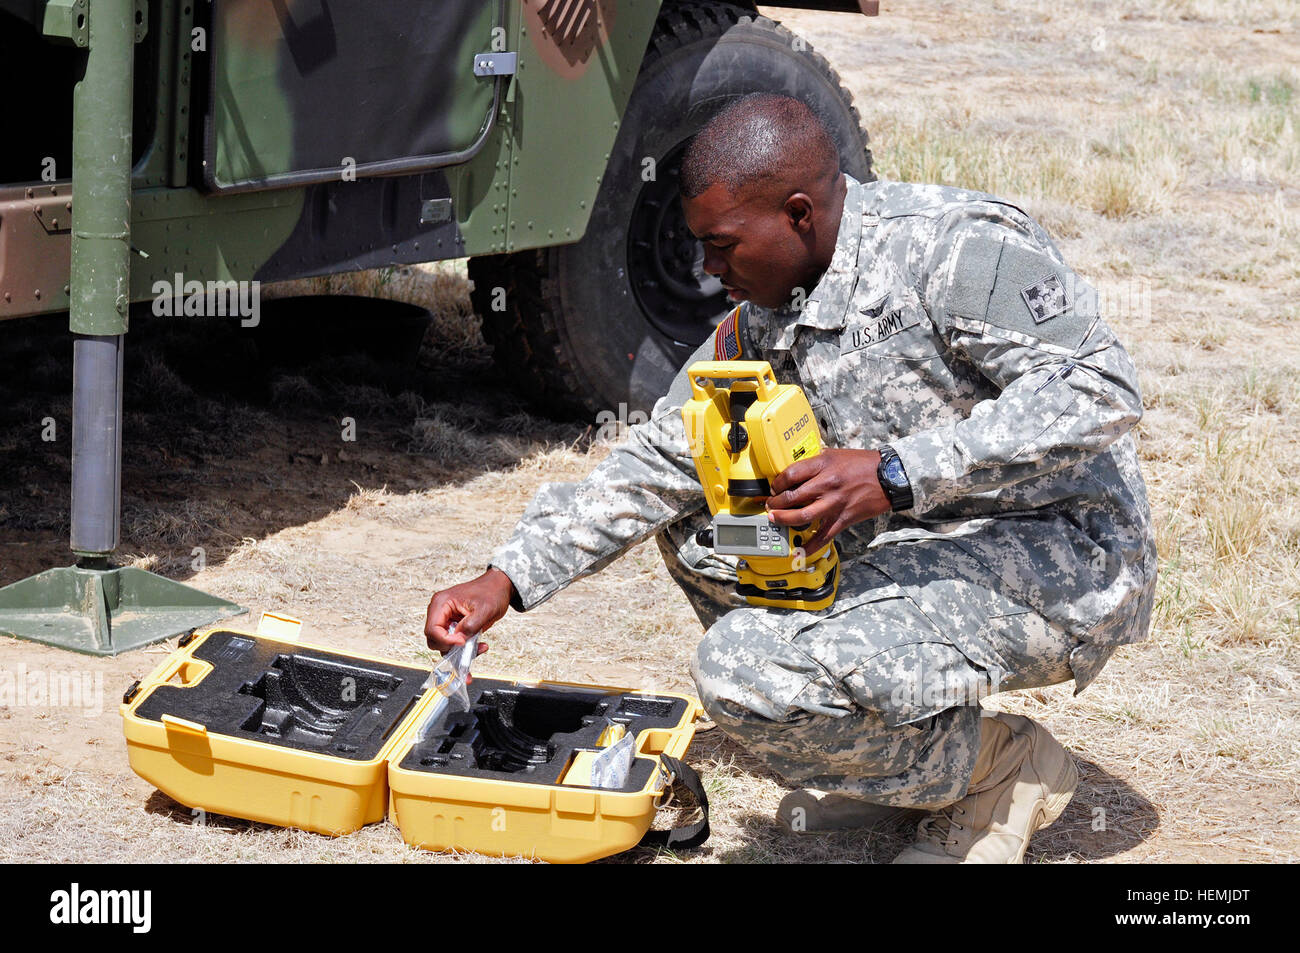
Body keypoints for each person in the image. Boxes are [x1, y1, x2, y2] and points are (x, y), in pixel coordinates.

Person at [424, 93, 1157, 864]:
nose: (708, 270)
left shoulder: (949, 251)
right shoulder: (765, 310)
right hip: (926, 531)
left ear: (800, 213)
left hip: (1061, 549)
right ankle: (897, 751)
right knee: (706, 521)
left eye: (722, 244)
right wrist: (505, 577)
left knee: (744, 670)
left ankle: (997, 767)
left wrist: (896, 473)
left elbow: (1101, 387)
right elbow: (662, 455)